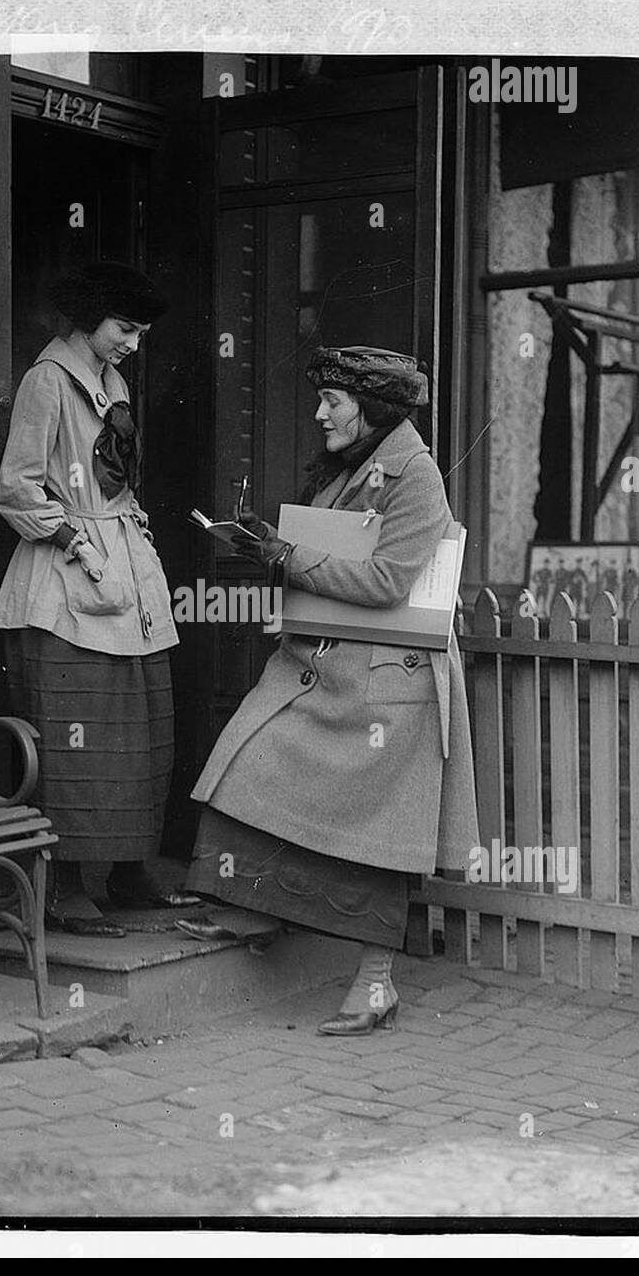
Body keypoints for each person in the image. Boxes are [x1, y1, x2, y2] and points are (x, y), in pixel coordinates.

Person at [177, 346, 479, 1035]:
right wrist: (274, 556)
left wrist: (283, 554)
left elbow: (385, 582)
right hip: (331, 664)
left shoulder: (416, 477)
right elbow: (334, 559)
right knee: (252, 759)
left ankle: (376, 986)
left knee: (380, 836)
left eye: (333, 402)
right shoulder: (351, 467)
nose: (320, 414)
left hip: (390, 685)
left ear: (371, 409)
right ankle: (249, 906)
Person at [0, 261, 198, 937]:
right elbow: (17, 488)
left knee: (142, 733)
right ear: (90, 320)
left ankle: (130, 872)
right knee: (76, 742)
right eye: (124, 328)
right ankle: (67, 888)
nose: (133, 342)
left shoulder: (115, 381)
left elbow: (116, 483)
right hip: (64, 581)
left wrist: (130, 536)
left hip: (125, 570)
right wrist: (76, 543)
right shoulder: (45, 382)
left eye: (139, 332)